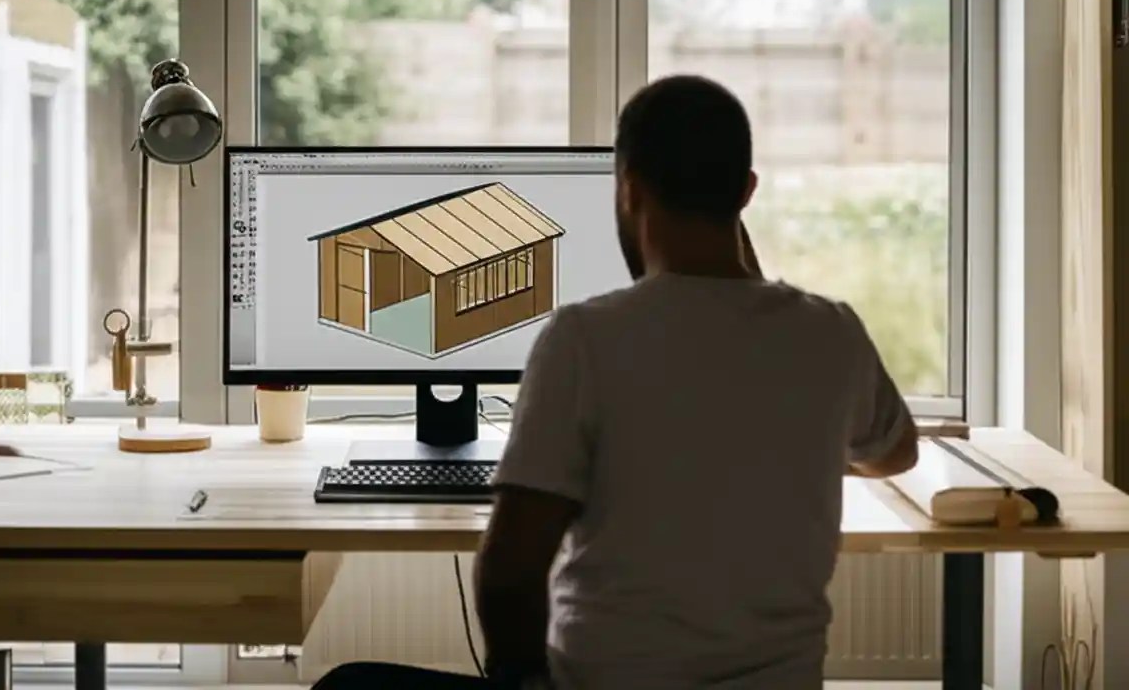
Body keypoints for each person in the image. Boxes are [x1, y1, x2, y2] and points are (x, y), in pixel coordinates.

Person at [313, 74, 919, 690]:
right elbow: (895, 453)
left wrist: (522, 680)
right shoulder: (830, 335)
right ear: (747, 192)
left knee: (349, 684)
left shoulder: (585, 339)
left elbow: (510, 574)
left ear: (628, 190)